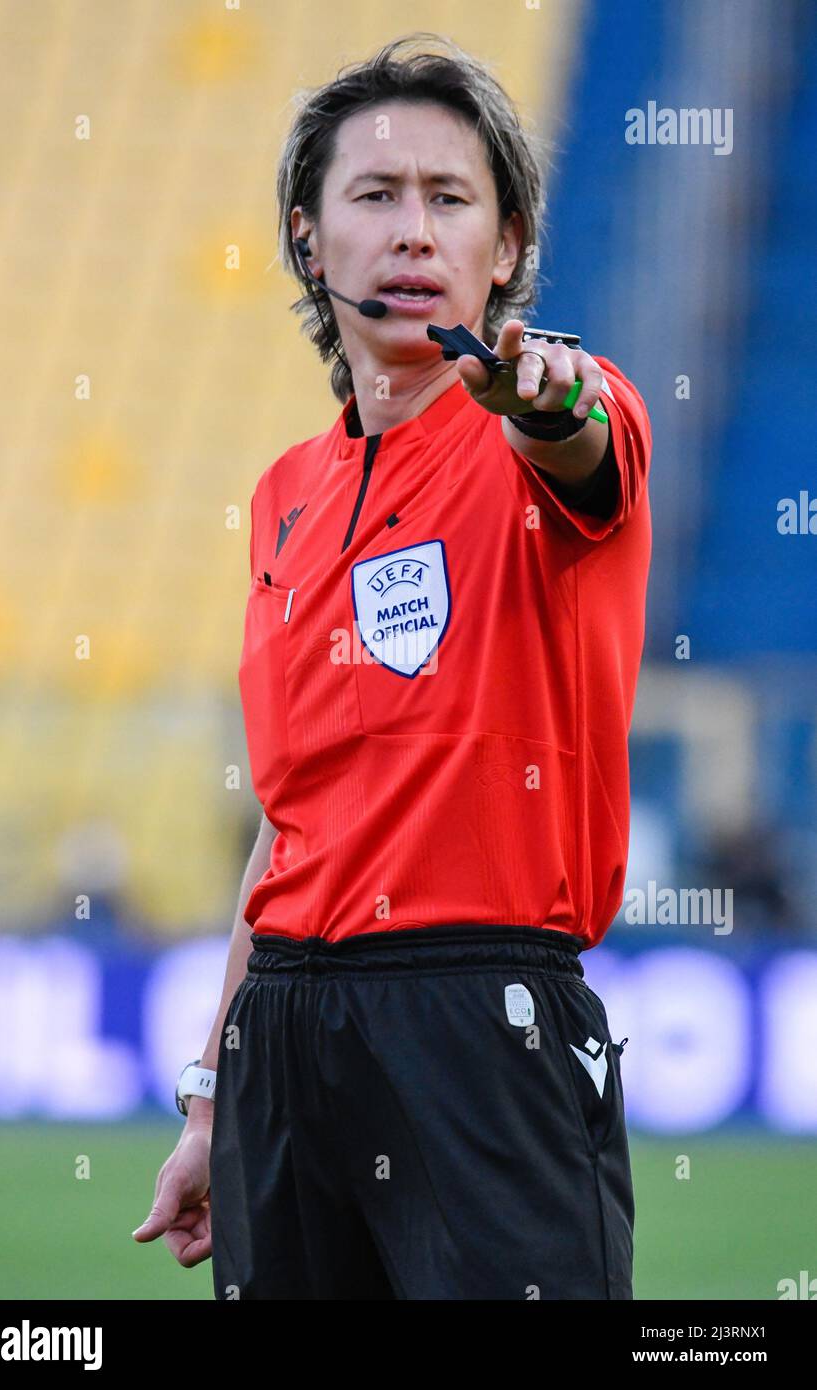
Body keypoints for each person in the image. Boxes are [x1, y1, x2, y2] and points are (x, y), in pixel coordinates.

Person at [133, 32, 651, 1301]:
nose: (412, 232)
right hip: (285, 1040)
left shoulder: (557, 419)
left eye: (449, 198)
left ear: (507, 245)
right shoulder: (283, 497)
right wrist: (212, 1095)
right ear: (312, 243)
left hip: (480, 1023)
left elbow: (577, 434)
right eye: (373, 196)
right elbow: (291, 816)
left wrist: (544, 401)